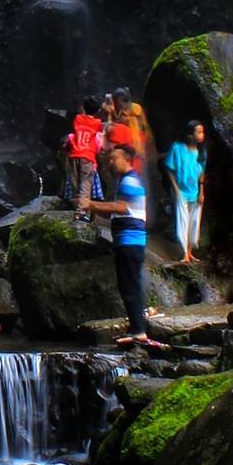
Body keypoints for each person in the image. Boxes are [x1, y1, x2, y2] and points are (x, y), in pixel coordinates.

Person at [78, 143, 164, 348]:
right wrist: (96, 210)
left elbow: (122, 207)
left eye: (114, 158)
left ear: (126, 159)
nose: (110, 162)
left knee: (130, 287)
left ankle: (139, 331)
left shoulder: (130, 181)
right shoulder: (125, 182)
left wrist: (92, 204)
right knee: (128, 286)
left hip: (130, 243)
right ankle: (137, 327)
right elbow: (115, 211)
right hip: (127, 242)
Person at [164, 121, 206, 263]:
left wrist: (201, 192)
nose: (201, 135)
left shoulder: (202, 152)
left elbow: (202, 173)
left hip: (195, 192)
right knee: (182, 222)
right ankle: (184, 254)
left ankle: (190, 252)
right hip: (181, 191)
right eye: (198, 132)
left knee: (194, 222)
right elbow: (169, 169)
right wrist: (176, 189)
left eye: (202, 132)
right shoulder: (177, 148)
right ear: (190, 135)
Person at [64, 95, 104, 212]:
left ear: (84, 108)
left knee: (74, 182)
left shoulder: (77, 119)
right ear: (98, 110)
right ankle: (82, 212)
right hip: (88, 156)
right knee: (85, 184)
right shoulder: (97, 124)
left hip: (75, 154)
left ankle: (75, 207)